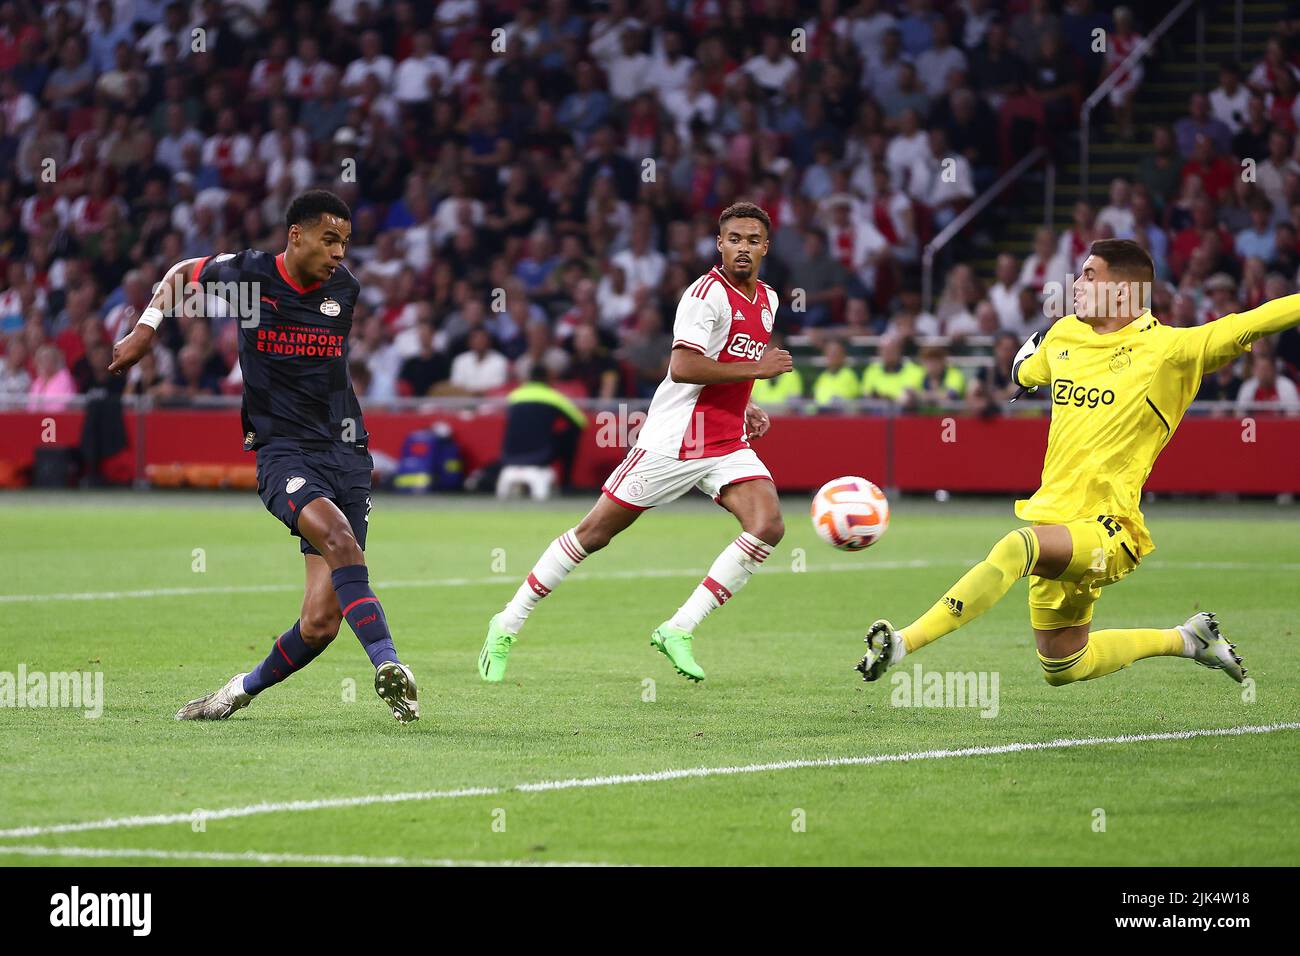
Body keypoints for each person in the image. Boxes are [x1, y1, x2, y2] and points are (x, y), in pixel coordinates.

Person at [855, 238, 1298, 689]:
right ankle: (1188, 640)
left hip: (1110, 527)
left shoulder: (1171, 351)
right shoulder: (1066, 335)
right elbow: (1026, 368)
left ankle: (903, 641)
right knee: (1064, 666)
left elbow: (1250, 324)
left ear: (1123, 292)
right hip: (1055, 519)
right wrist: (1021, 366)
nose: (1076, 285)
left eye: (1089, 276)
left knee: (1015, 548)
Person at [107, 190, 420, 723]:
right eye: (329, 240)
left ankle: (236, 693)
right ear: (295, 235)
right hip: (284, 453)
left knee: (320, 624)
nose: (340, 253)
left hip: (347, 451)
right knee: (340, 539)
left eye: (345, 242)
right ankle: (390, 667)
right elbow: (184, 272)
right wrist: (145, 330)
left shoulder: (344, 289)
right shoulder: (249, 278)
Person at [478, 202, 793, 683]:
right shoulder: (704, 295)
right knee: (594, 534)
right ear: (719, 244)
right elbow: (683, 367)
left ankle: (679, 628)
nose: (742, 248)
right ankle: (506, 622)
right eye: (734, 239)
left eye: (752, 240)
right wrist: (758, 369)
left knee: (768, 524)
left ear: (765, 247)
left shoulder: (768, 299)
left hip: (726, 440)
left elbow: (725, 361)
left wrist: (744, 403)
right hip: (674, 439)